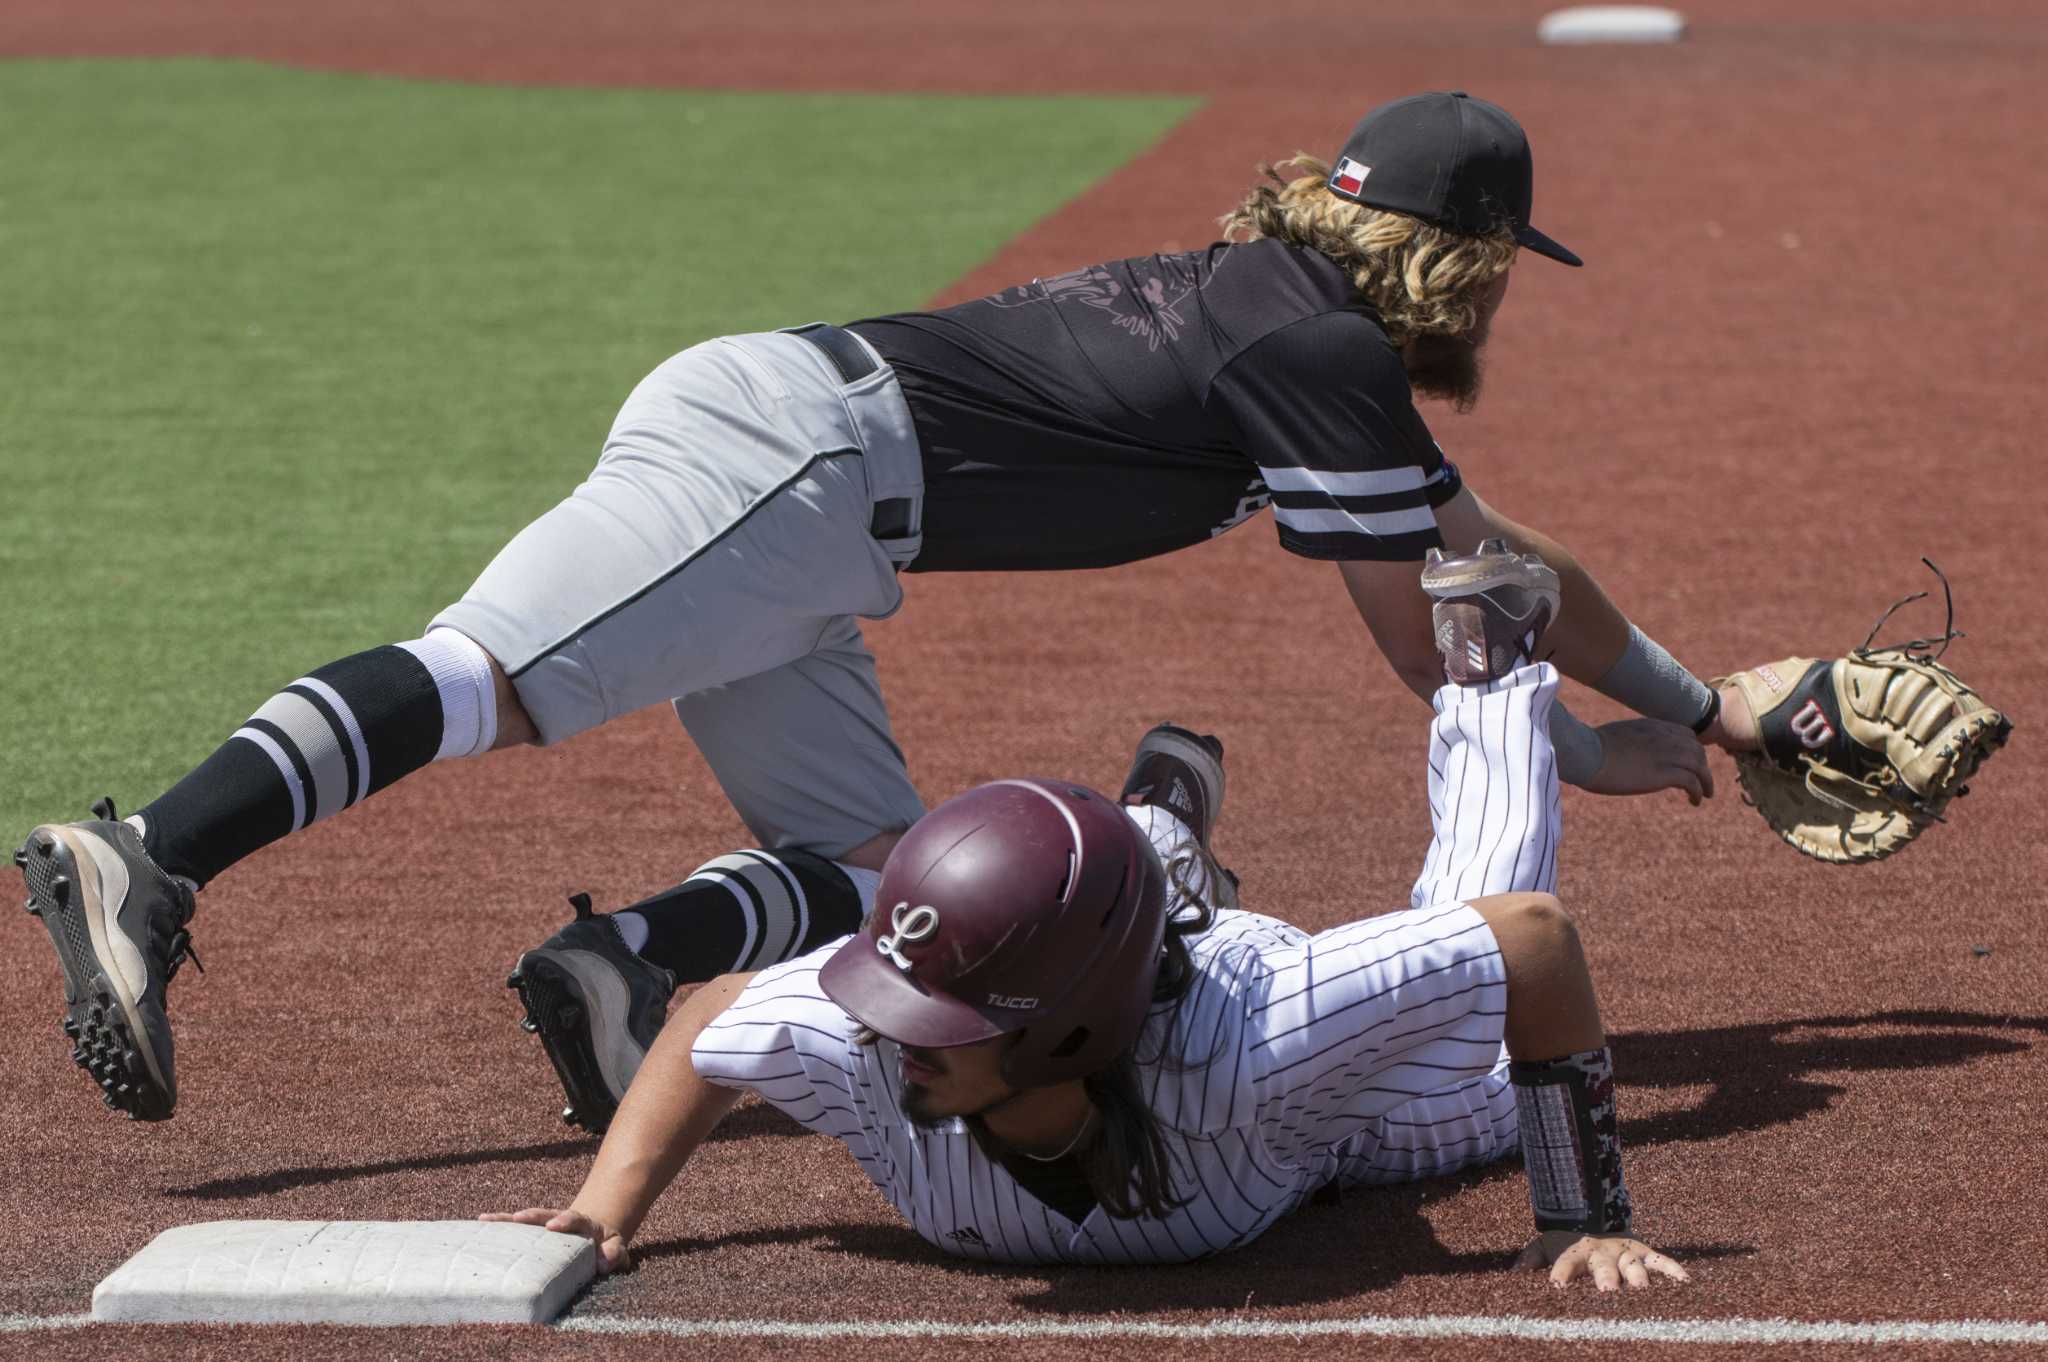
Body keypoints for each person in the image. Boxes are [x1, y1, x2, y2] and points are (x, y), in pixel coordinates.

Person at [15, 89, 1742, 1124]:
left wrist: (1699, 700)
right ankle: (155, 852)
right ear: (1463, 251)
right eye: (1503, 262)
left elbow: (1483, 552)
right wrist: (1575, 758)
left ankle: (621, 974)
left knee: (890, 882)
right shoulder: (1312, 346)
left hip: (825, 508)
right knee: (491, 679)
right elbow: (1429, 620)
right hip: (797, 462)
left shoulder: (1282, 313)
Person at [482, 545, 1696, 1289]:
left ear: (1055, 1031)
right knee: (1102, 922)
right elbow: (713, 1017)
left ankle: (1487, 674)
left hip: (1301, 1097)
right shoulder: (867, 1051)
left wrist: (1579, 1214)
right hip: (1124, 966)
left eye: (933, 1017)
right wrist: (603, 1211)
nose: (890, 1034)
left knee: (1481, 1062)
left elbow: (1525, 935)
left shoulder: (1268, 1047)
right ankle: (1153, 828)